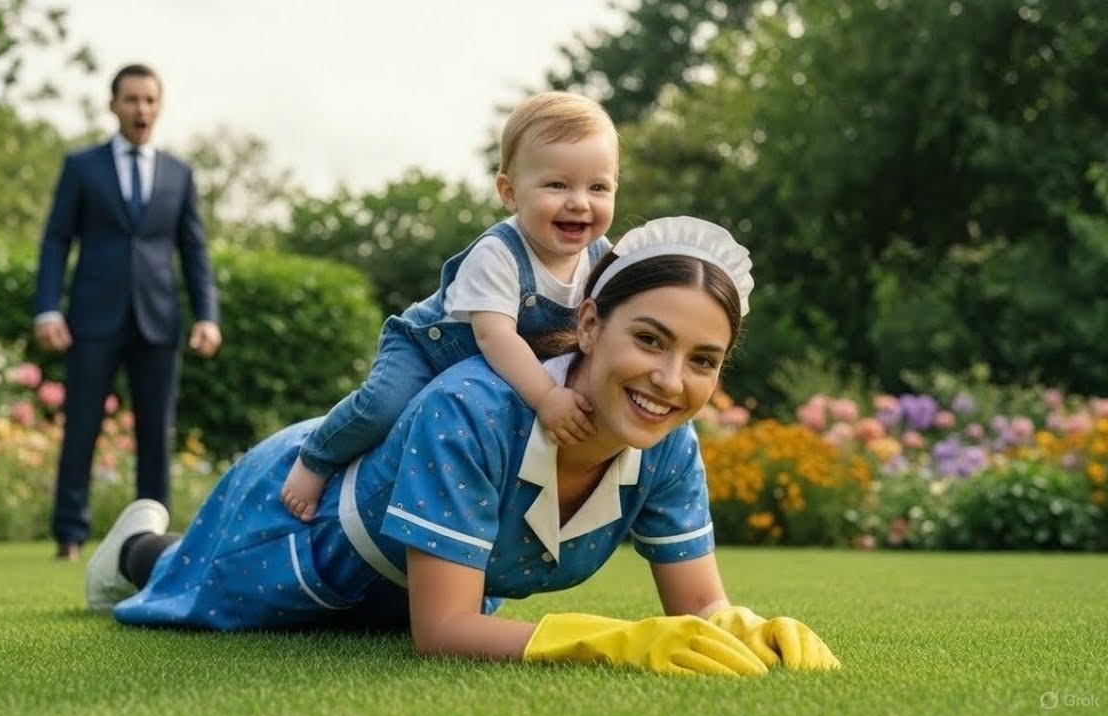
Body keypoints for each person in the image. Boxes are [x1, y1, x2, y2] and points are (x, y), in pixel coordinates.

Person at [84, 216, 841, 677]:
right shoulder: (471, 409)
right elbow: (443, 633)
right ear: (588, 326)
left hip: (410, 586)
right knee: (184, 580)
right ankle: (134, 548)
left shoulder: (669, 445)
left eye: (704, 360)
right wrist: (613, 642)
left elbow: (699, 604)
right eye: (649, 339)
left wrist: (742, 626)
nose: (671, 381)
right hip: (297, 531)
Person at [280, 91, 620, 522]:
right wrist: (549, 396)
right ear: (509, 193)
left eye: (598, 187)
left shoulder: (601, 257)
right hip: (429, 350)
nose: (579, 201)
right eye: (557, 185)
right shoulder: (499, 253)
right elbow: (495, 336)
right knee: (382, 407)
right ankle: (315, 458)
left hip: (499, 374)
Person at [34, 63, 222, 561]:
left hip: (158, 322)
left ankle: (151, 540)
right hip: (92, 319)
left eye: (150, 100)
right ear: (113, 105)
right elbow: (56, 240)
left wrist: (207, 316)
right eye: (132, 99)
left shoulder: (179, 173)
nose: (142, 108)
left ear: (159, 107)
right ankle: (69, 535)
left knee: (155, 434)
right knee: (81, 427)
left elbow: (194, 250)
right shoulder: (82, 167)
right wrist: (47, 309)